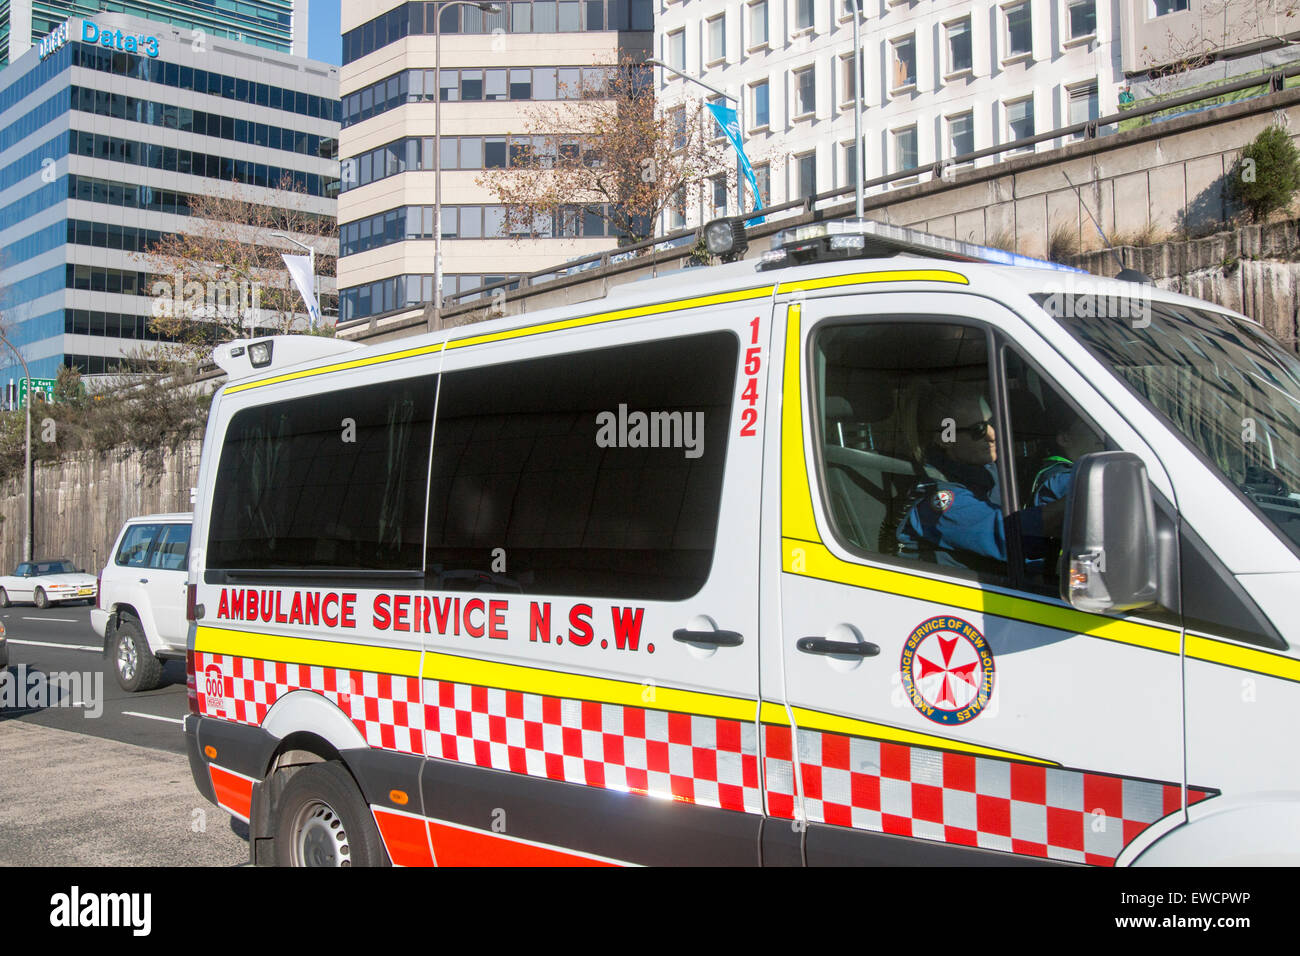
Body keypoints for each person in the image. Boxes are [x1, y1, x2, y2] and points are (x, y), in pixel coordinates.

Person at [896, 385, 1064, 573]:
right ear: (946, 437)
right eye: (978, 430)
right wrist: (1078, 501)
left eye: (992, 423)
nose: (992, 435)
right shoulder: (940, 502)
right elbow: (1010, 535)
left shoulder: (988, 471)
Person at [1030, 415, 1106, 507]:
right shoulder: (1063, 479)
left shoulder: (1054, 471)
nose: (1099, 430)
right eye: (1087, 424)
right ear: (1064, 439)